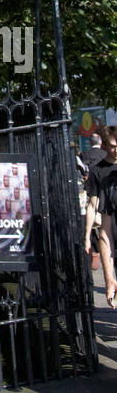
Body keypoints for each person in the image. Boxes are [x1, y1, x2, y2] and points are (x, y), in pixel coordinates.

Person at [85, 126, 117, 308]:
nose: (116, 150)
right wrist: (87, 235)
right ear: (104, 145)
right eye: (113, 146)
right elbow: (93, 205)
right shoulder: (100, 172)